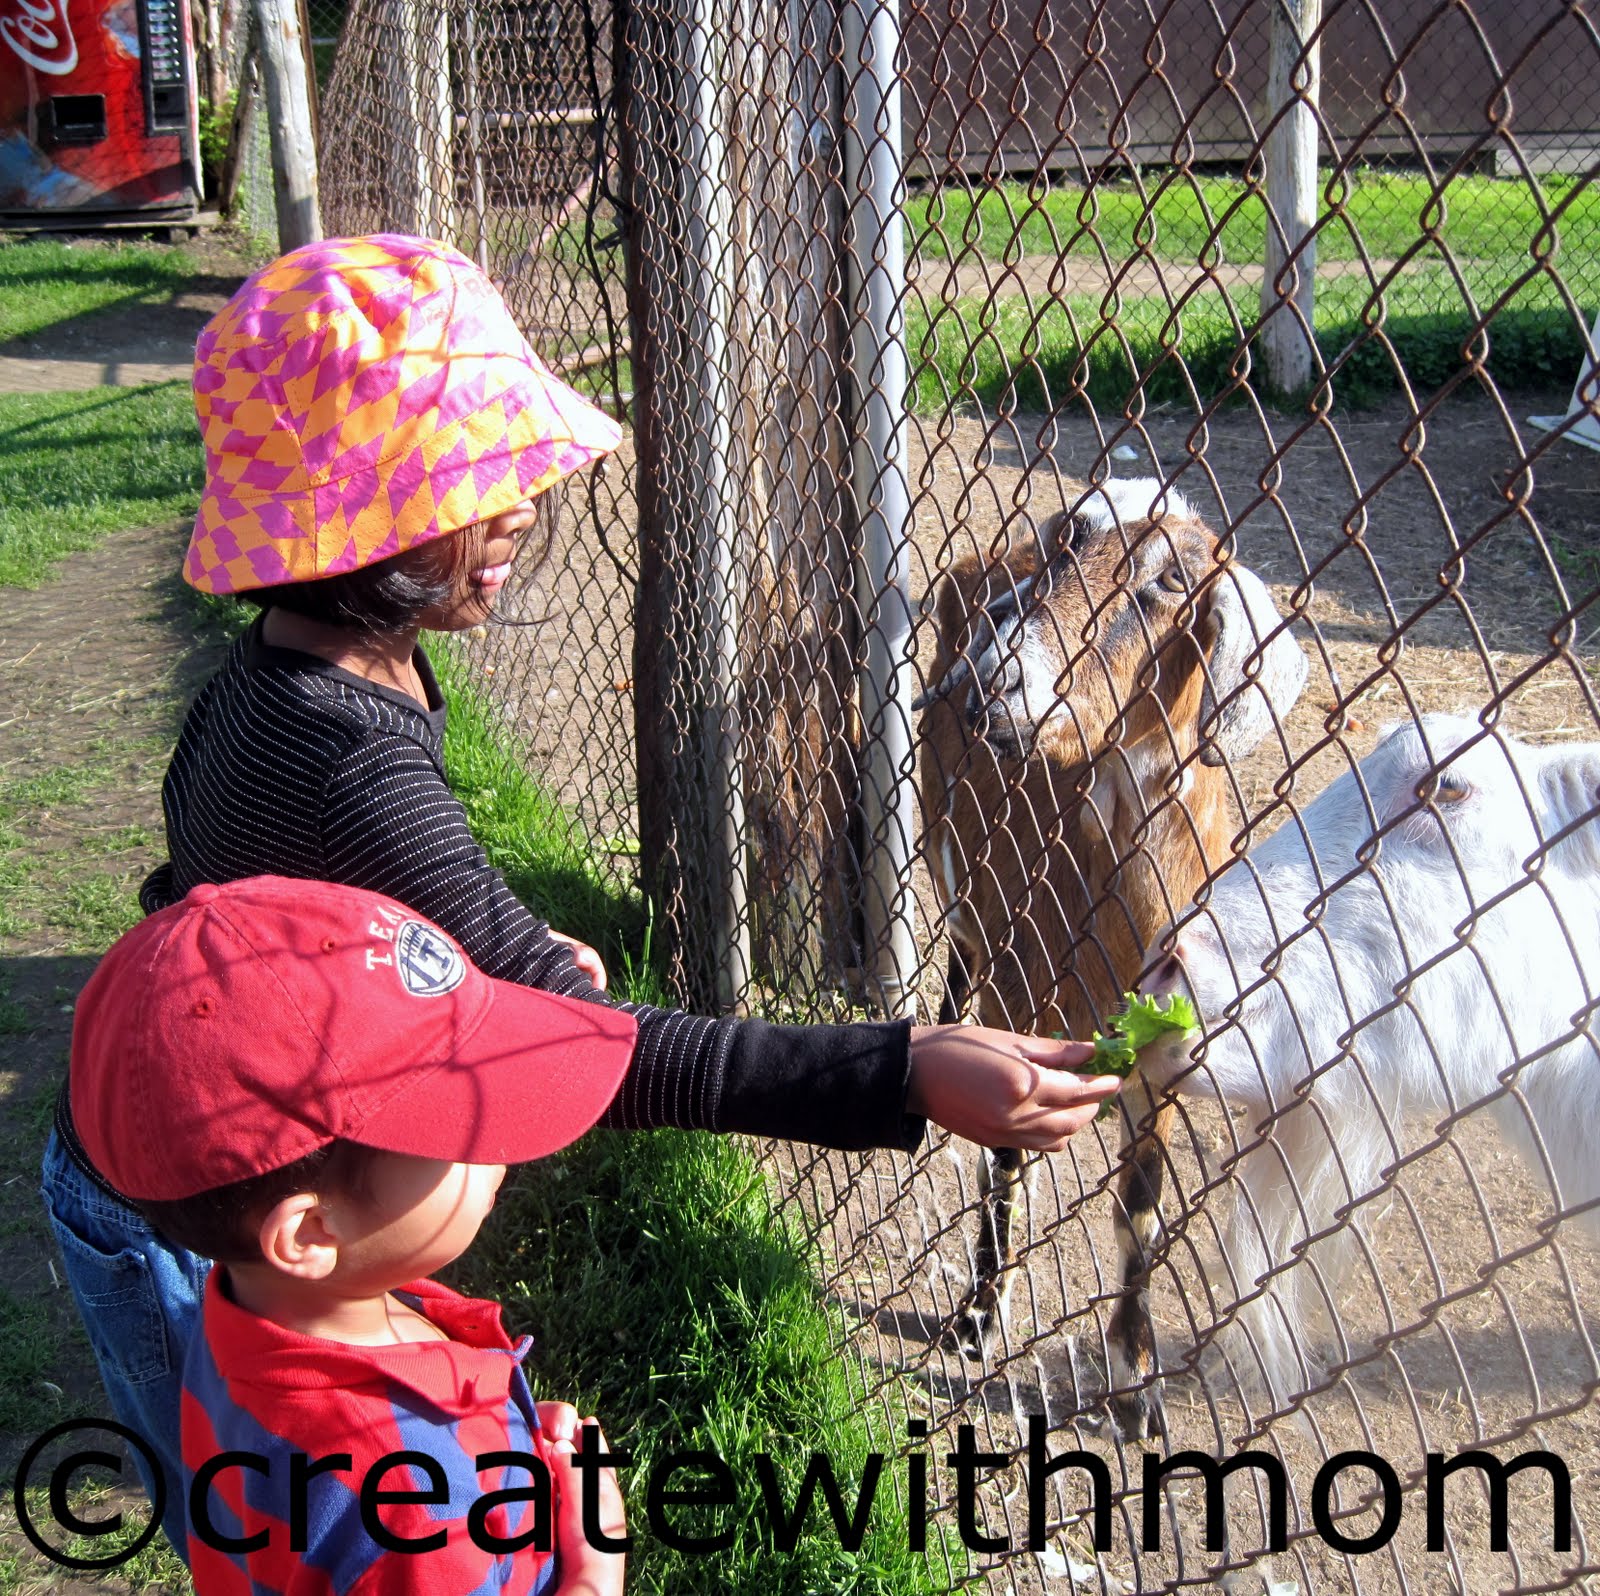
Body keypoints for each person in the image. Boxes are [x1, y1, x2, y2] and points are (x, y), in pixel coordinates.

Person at [40, 234, 1121, 1554]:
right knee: (262, 1522)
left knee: (263, 1498)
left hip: (185, 1160)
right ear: (359, 514)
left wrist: (472, 947)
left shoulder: (277, 679)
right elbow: (595, 1055)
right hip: (193, 1212)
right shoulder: (343, 759)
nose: (522, 511)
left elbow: (237, 908)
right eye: (473, 484)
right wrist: (900, 1068)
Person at [69, 875, 631, 1595]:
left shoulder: (243, 1322)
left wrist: (499, 1440)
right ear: (309, 1233)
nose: (502, 1142)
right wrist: (592, 1565)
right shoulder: (420, 1514)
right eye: (458, 1124)